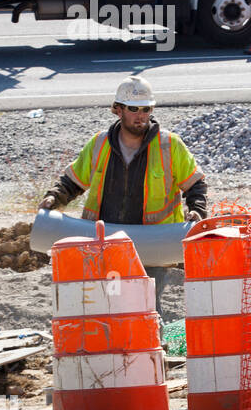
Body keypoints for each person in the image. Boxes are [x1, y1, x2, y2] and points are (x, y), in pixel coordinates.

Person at [40, 77, 206, 314]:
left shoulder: (169, 145)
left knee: (145, 302)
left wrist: (197, 210)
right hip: (105, 240)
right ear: (117, 109)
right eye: (133, 109)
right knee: (108, 300)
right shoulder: (99, 144)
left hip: (154, 243)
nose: (141, 115)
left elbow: (195, 186)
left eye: (146, 109)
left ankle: (150, 348)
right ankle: (117, 348)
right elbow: (73, 182)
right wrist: (54, 198)